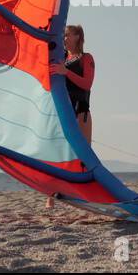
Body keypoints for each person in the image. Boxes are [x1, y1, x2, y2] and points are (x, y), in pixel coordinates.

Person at [45, 25, 95, 209]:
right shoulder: (62, 59)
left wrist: (65, 72)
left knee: (84, 159)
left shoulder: (86, 58)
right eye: (63, 35)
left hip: (81, 112)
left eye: (67, 35)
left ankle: (87, 197)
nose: (64, 38)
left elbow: (87, 84)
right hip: (64, 114)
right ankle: (50, 196)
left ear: (77, 37)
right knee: (57, 155)